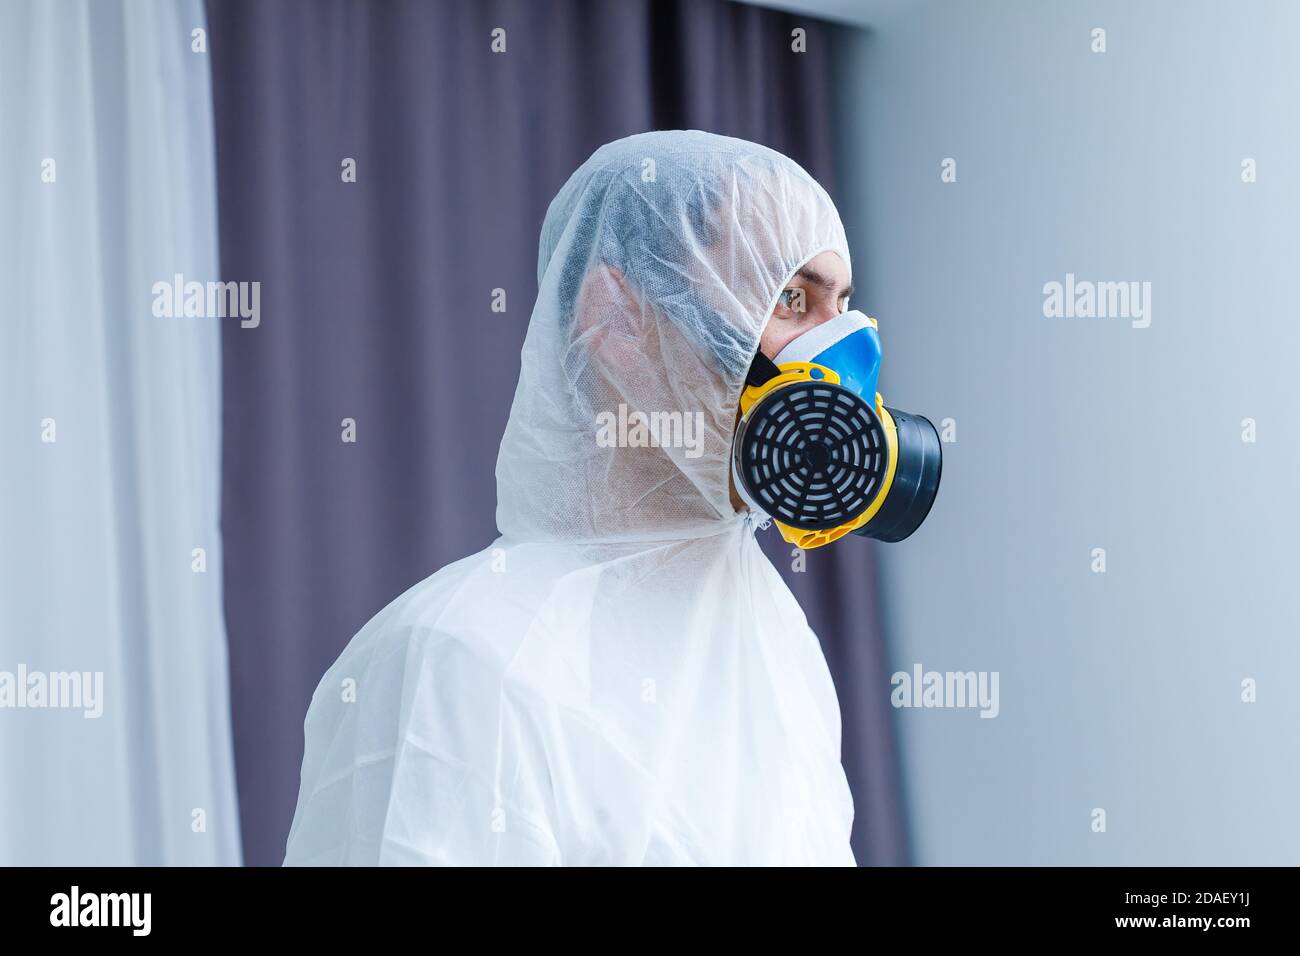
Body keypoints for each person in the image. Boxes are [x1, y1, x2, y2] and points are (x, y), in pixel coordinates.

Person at [284, 130, 858, 866]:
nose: (836, 356)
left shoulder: (780, 647)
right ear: (619, 323)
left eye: (840, 307)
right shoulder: (462, 659)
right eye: (789, 297)